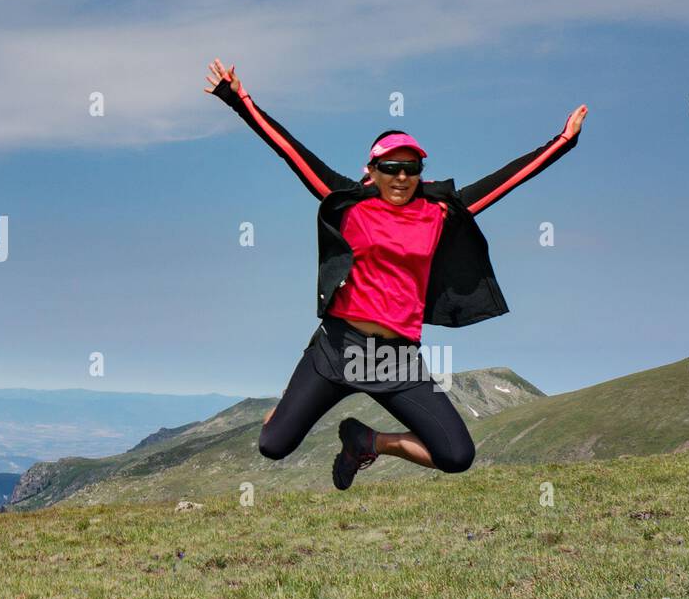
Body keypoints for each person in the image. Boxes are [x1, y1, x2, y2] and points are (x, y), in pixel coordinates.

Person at [205, 57, 586, 490]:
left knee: (456, 456)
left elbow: (505, 181)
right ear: (372, 170)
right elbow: (290, 148)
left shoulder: (437, 212)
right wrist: (238, 99)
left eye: (411, 168)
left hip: (395, 359)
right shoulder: (348, 201)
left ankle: (369, 441)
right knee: (273, 445)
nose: (401, 176)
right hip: (337, 348)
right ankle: (286, 410)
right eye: (390, 167)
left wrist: (563, 142)